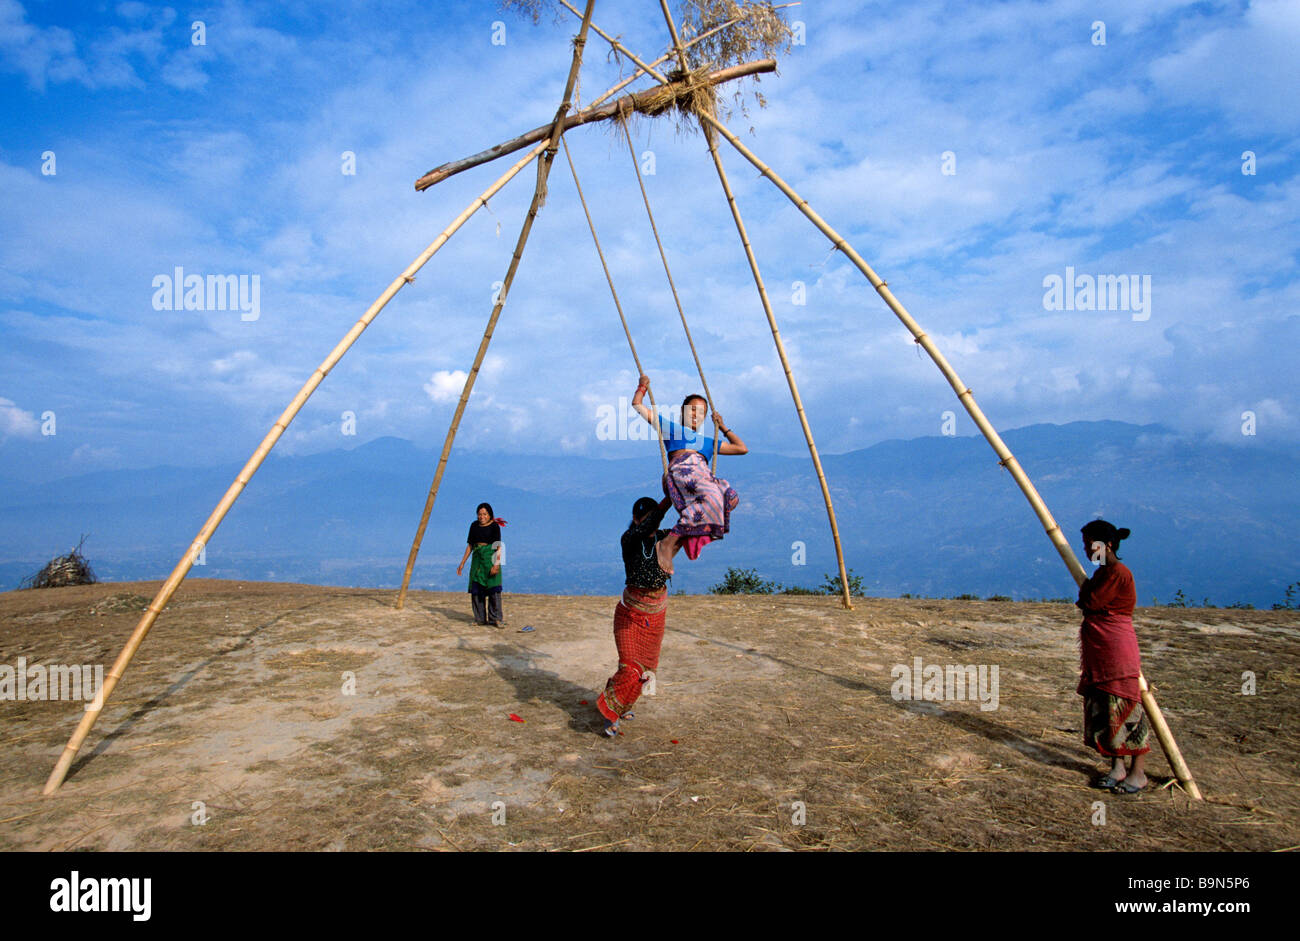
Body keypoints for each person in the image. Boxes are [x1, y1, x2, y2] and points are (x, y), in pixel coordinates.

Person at [631, 375, 747, 576]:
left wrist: (723, 426)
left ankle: (683, 538)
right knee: (711, 495)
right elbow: (637, 405)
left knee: (729, 497)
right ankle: (668, 543)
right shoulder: (672, 429)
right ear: (683, 412)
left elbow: (741, 448)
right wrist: (642, 387)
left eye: (701, 412)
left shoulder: (709, 441)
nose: (696, 414)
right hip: (683, 472)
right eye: (693, 409)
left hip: (702, 477)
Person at [1076, 519, 1150, 793]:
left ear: (1107, 545)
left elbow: (1091, 602)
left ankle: (1138, 772)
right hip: (1101, 651)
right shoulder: (1102, 574)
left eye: (1090, 544)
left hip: (1117, 650)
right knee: (1107, 708)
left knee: (1127, 706)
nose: (1086, 550)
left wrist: (1086, 595)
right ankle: (1117, 767)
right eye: (1084, 545)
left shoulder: (1119, 573)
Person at [596, 495, 673, 737]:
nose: (652, 524)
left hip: (656, 613)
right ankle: (611, 713)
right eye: (646, 519)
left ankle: (624, 703)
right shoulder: (629, 539)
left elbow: (689, 531)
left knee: (645, 669)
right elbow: (648, 527)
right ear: (636, 519)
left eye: (654, 519)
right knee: (629, 667)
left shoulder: (663, 538)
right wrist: (668, 499)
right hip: (630, 613)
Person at [456, 503, 506, 626]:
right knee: (477, 590)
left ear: (490, 515)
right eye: (479, 514)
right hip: (477, 560)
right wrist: (462, 563)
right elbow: (470, 546)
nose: (482, 517)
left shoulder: (495, 526)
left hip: (490, 559)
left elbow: (498, 547)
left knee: (493, 590)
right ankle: (479, 619)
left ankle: (496, 619)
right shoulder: (474, 526)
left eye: (484, 514)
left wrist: (496, 565)